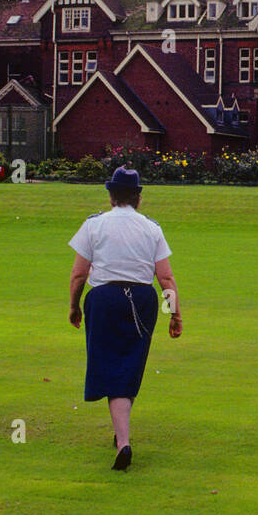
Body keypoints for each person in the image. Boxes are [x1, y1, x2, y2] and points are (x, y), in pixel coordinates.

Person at [68, 167, 182, 471]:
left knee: (109, 367)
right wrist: (175, 314)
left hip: (103, 298)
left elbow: (79, 273)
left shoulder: (94, 225)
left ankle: (123, 441)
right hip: (142, 301)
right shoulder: (151, 228)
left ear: (110, 195)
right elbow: (166, 279)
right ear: (138, 197)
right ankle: (121, 437)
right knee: (128, 367)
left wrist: (74, 306)